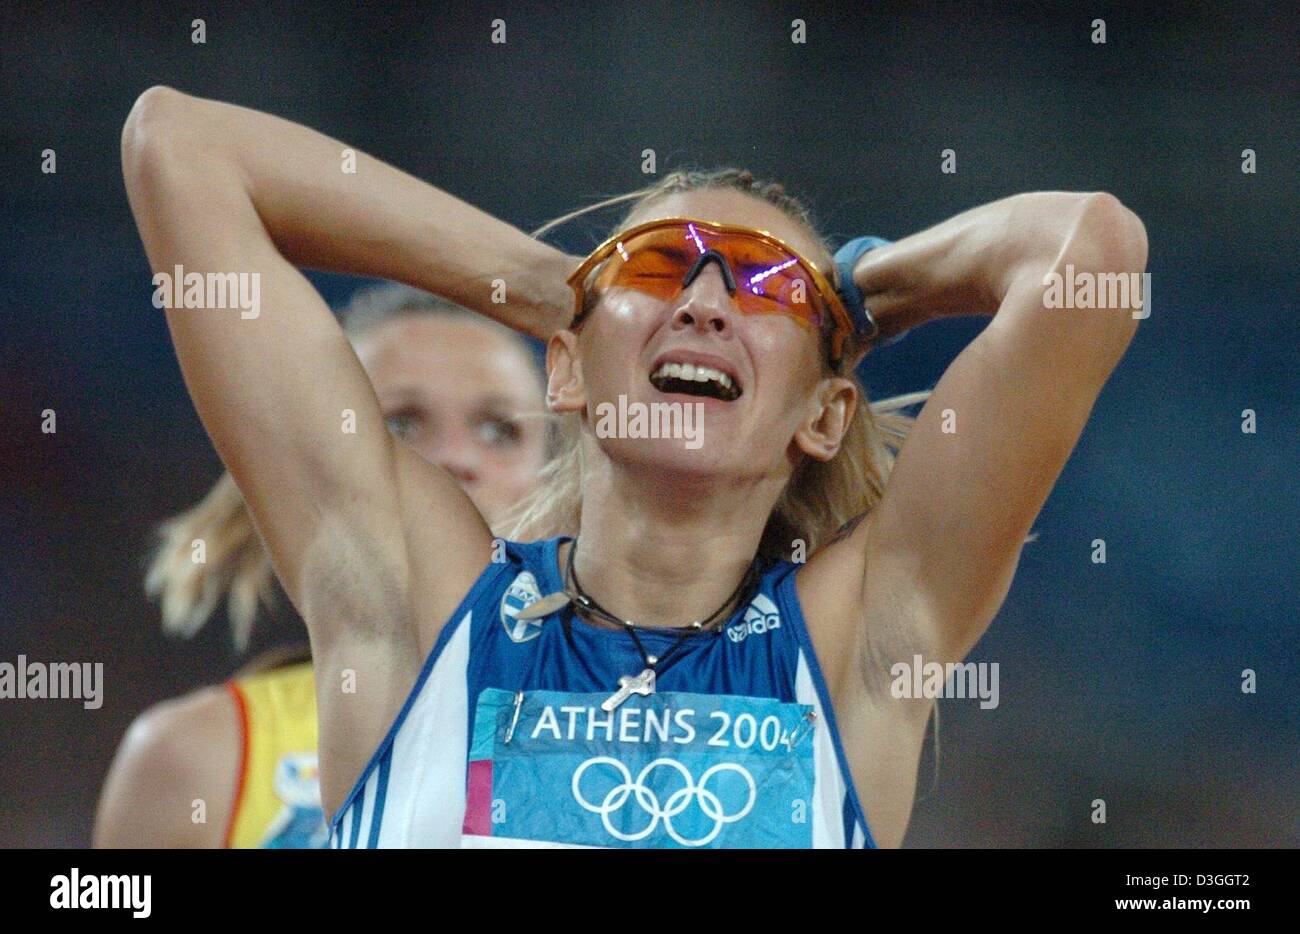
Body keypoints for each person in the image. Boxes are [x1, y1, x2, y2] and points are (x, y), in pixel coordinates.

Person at [120, 86, 1147, 848]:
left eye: (762, 286)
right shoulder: (417, 610)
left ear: (825, 416)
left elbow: (1092, 253)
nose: (703, 300)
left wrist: (859, 295)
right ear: (564, 368)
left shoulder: (860, 644)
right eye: (656, 267)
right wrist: (537, 283)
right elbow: (182, 147)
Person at [93, 285, 551, 847]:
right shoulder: (201, 758)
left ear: (559, 482)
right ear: (299, 471)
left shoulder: (632, 735)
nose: (456, 458)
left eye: (499, 429)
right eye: (399, 425)